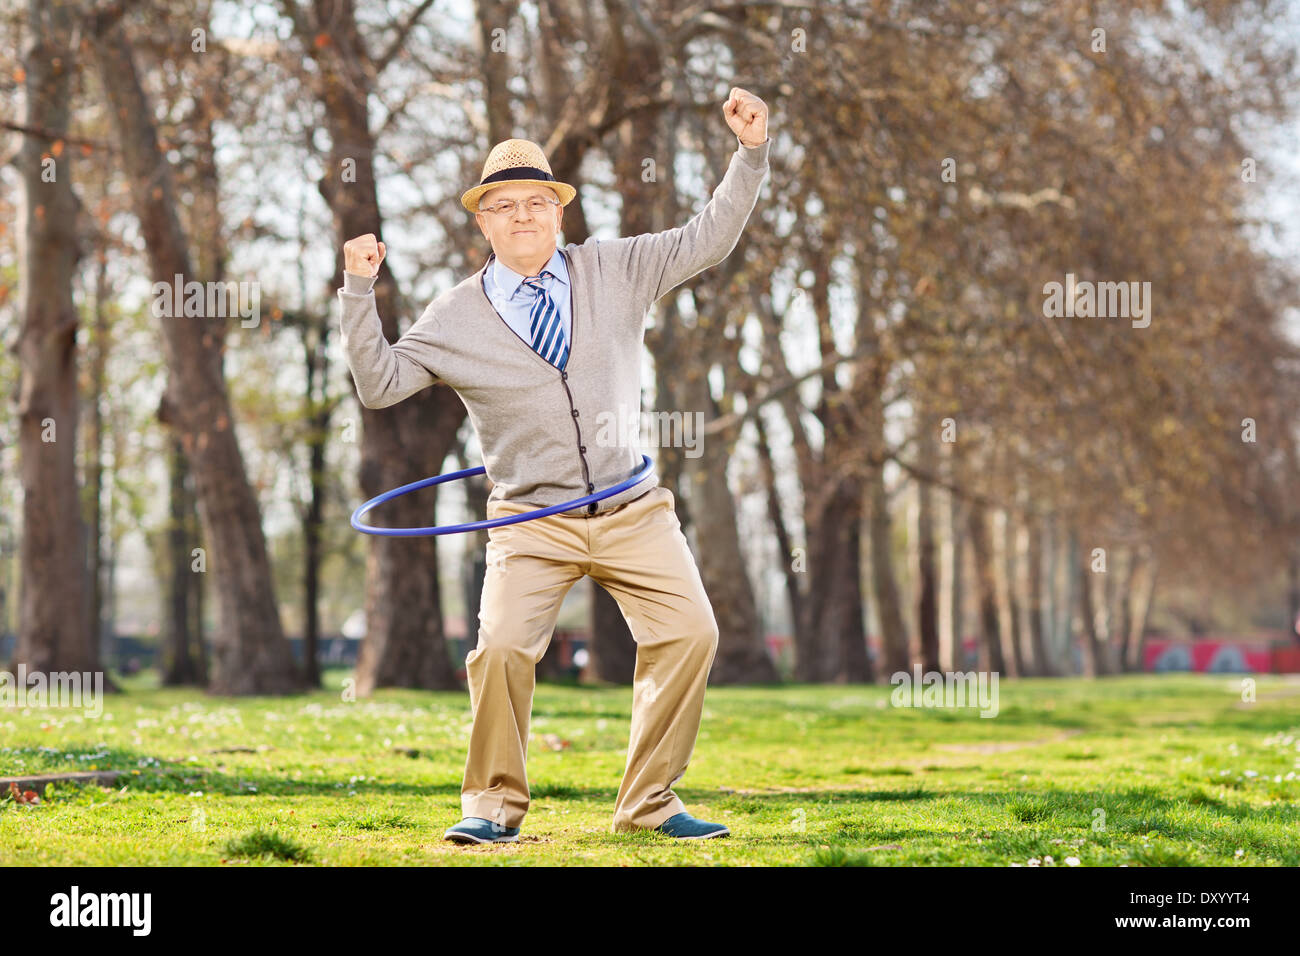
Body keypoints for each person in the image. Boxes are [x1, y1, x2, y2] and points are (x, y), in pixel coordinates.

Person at [337, 87, 770, 843]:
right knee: (501, 649)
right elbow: (379, 385)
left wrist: (751, 153)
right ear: (483, 223)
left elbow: (710, 236)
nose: (523, 217)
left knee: (692, 633)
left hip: (632, 507)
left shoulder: (615, 268)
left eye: (536, 201)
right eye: (503, 207)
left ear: (558, 212)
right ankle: (492, 807)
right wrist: (357, 290)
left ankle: (649, 803)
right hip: (529, 520)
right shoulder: (455, 315)